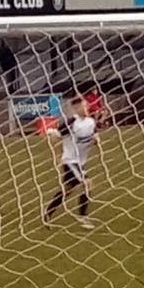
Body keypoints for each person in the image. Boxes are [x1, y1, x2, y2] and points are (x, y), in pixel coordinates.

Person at [44, 97, 98, 229]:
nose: (86, 109)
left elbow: (95, 136)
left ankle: (48, 213)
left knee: (67, 190)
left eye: (87, 106)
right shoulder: (71, 122)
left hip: (80, 162)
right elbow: (55, 136)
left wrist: (96, 141)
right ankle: (83, 216)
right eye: (83, 107)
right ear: (76, 108)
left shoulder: (91, 122)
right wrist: (57, 156)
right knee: (88, 184)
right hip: (70, 161)